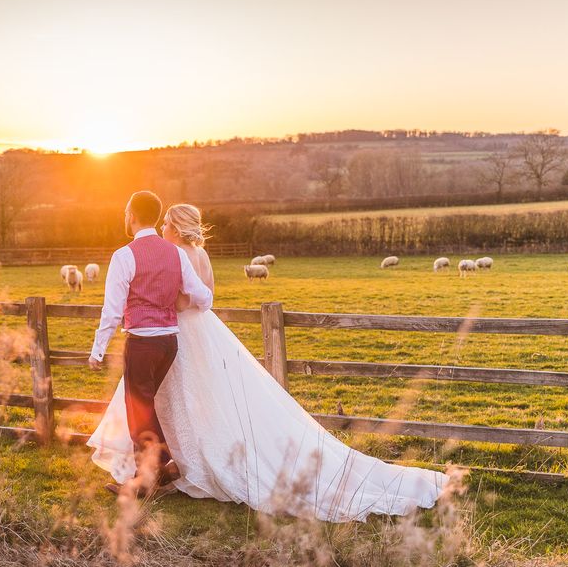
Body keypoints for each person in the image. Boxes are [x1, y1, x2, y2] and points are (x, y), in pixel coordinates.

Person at [87, 202, 449, 521]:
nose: (164, 226)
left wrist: (153, 307)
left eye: (168, 222)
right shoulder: (187, 253)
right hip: (187, 335)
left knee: (168, 402)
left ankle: (164, 470)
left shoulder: (166, 253)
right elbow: (206, 297)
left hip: (172, 333)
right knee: (182, 403)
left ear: (174, 225)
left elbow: (184, 301)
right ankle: (162, 469)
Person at [87, 191, 214, 496]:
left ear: (131, 215)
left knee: (138, 411)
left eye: (125, 211)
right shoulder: (176, 254)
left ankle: (161, 465)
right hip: (169, 344)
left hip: (142, 343)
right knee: (146, 408)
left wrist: (97, 350)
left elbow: (112, 310)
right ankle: (151, 475)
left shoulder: (124, 255)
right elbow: (204, 297)